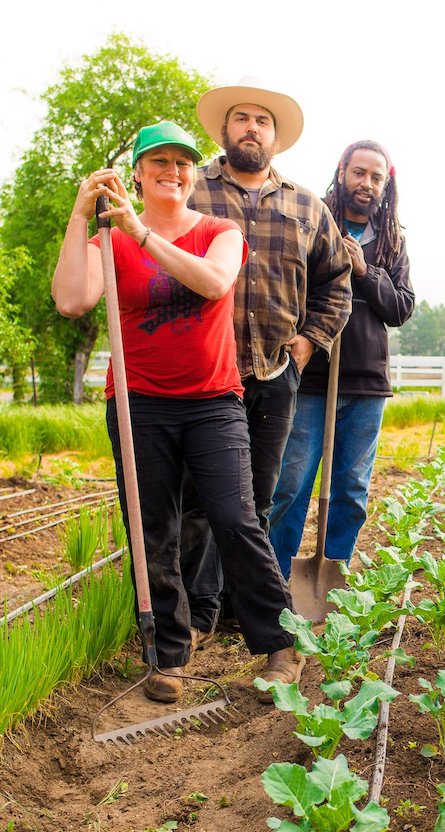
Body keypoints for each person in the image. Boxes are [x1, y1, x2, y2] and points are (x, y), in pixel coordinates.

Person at [51, 120, 298, 703]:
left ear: (193, 174)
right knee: (152, 528)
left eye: (183, 163)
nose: (172, 172)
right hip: (139, 404)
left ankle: (280, 644)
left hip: (213, 401)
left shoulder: (221, 231)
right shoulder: (105, 243)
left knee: (235, 518)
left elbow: (214, 284)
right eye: (158, 162)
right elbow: (70, 300)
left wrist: (138, 232)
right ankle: (170, 651)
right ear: (136, 173)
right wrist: (82, 216)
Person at [180, 78, 352, 694]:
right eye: (241, 119)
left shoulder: (308, 207)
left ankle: (232, 608)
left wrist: (308, 341)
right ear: (224, 131)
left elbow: (337, 282)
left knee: (255, 499)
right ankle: (200, 615)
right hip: (204, 374)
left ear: (276, 138)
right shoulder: (192, 191)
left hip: (274, 373)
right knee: (200, 500)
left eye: (262, 121)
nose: (251, 128)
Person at [269, 140, 414, 576]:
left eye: (375, 177)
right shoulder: (312, 224)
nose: (365, 184)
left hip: (365, 383)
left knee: (350, 489)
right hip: (312, 378)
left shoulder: (391, 241)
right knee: (292, 484)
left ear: (384, 185)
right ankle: (276, 581)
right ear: (342, 172)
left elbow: (401, 307)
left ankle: (331, 575)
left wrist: (367, 273)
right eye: (358, 173)